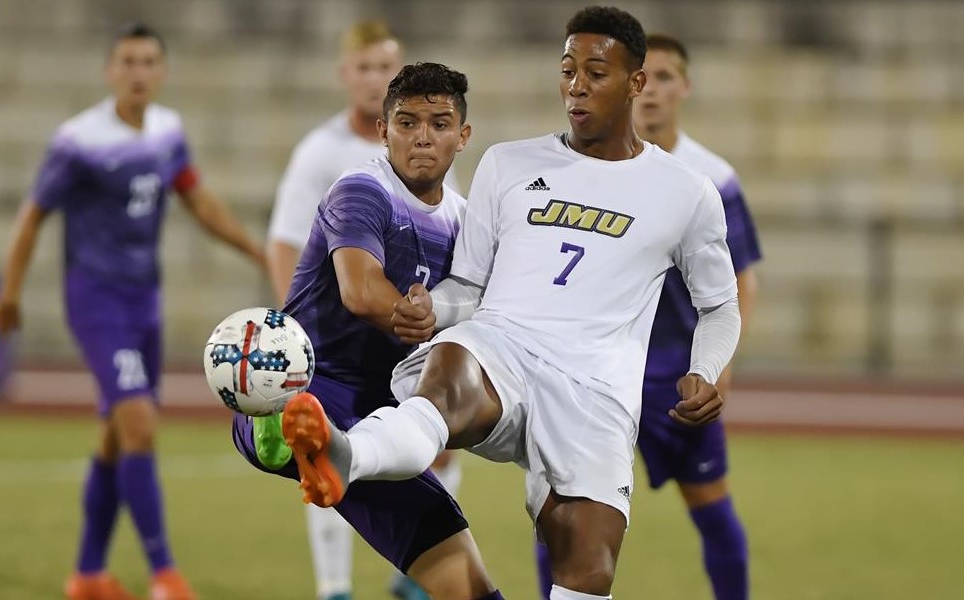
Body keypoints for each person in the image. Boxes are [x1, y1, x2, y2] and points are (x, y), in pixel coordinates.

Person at [283, 6, 742, 599]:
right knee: (449, 377)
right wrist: (432, 310)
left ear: (636, 83)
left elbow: (719, 306)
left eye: (596, 72)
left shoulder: (687, 192)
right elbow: (469, 289)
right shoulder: (509, 164)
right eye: (568, 69)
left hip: (596, 389)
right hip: (503, 348)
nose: (577, 85)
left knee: (587, 566)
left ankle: (360, 453)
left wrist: (705, 371)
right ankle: (348, 455)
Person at [0, 22, 265, 600]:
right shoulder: (78, 140)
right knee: (138, 422)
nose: (138, 73)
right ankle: (165, 573)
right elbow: (33, 215)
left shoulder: (168, 131)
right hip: (96, 299)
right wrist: (11, 294)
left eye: (148, 62)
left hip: (146, 301)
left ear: (161, 72)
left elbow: (196, 198)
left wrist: (254, 250)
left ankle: (88, 573)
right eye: (128, 62)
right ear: (110, 71)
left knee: (116, 432)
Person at [231, 62, 504, 600]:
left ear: (463, 136)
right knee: (305, 420)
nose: (422, 136)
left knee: (465, 581)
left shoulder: (467, 223)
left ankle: (298, 441)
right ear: (383, 131)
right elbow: (360, 289)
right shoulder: (360, 189)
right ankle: (278, 425)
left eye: (439, 123)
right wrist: (419, 314)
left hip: (383, 420)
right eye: (407, 122)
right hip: (315, 385)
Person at [533, 32, 762, 600]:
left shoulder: (712, 179)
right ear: (630, 83)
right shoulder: (581, 165)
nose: (654, 90)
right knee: (561, 514)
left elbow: (738, 281)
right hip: (588, 369)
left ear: (683, 86)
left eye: (667, 78)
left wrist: (718, 362)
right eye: (647, 77)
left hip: (673, 373)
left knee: (712, 507)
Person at [263, 20, 457, 600]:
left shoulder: (432, 167)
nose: (376, 78)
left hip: (397, 353)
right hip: (336, 343)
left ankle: (410, 578)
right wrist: (287, 335)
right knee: (324, 444)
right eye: (366, 68)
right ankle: (335, 586)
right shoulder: (327, 156)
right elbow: (285, 241)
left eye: (386, 68)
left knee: (417, 445)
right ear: (347, 75)